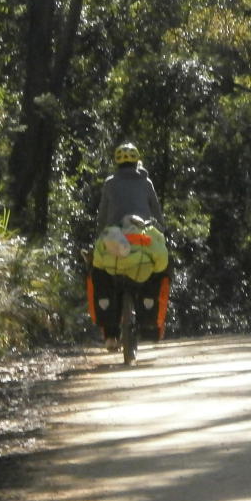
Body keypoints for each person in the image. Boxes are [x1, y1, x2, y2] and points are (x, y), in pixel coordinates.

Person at [88, 143, 170, 349]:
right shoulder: (146, 182)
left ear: (117, 162)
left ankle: (110, 336)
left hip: (114, 238)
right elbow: (157, 213)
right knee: (158, 271)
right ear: (136, 161)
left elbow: (103, 215)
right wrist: (161, 229)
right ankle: (150, 319)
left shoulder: (109, 183)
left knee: (101, 274)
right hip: (142, 237)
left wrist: (100, 236)